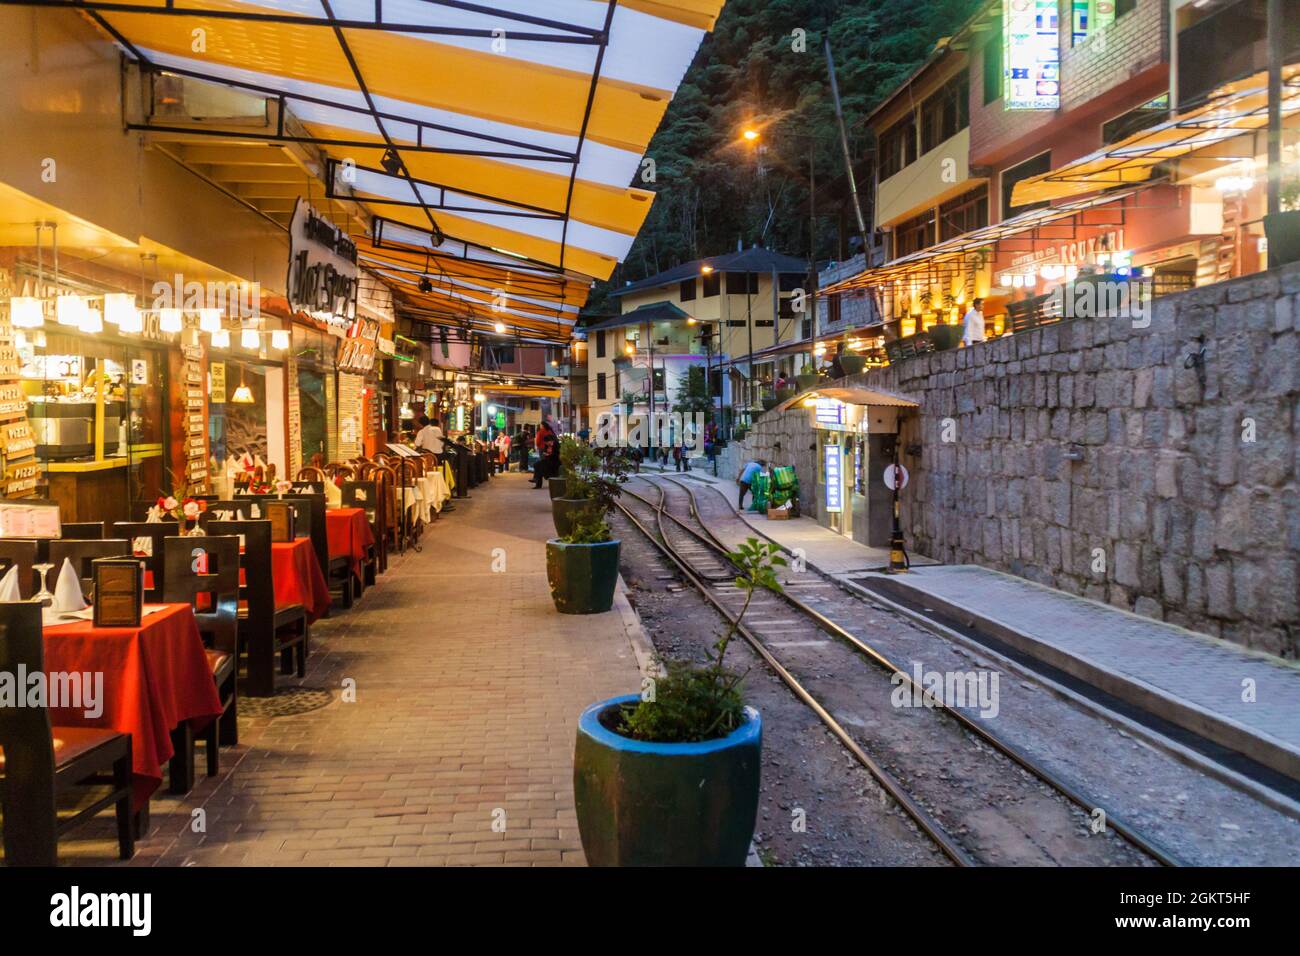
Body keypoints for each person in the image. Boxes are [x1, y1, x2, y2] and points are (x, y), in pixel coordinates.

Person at [531, 420, 557, 488]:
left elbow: (537, 441)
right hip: (548, 459)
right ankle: (536, 480)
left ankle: (537, 481)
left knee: (539, 465)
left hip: (552, 460)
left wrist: (548, 454)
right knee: (537, 464)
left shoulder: (541, 432)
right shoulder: (550, 432)